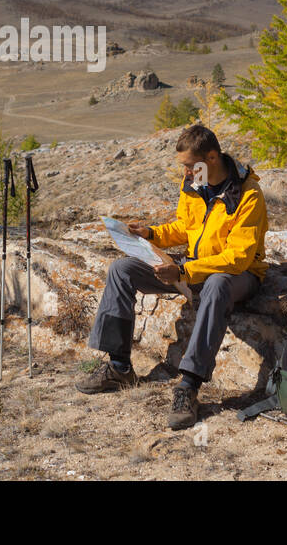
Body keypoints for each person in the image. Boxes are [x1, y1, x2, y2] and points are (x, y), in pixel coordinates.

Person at [76, 124, 269, 429]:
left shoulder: (248, 195)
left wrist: (182, 271)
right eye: (184, 167)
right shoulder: (195, 184)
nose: (187, 173)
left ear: (213, 157)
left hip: (238, 275)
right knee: (121, 269)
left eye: (191, 166)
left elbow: (238, 258)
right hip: (193, 265)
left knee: (217, 285)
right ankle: (119, 366)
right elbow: (184, 227)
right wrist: (152, 234)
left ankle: (189, 386)